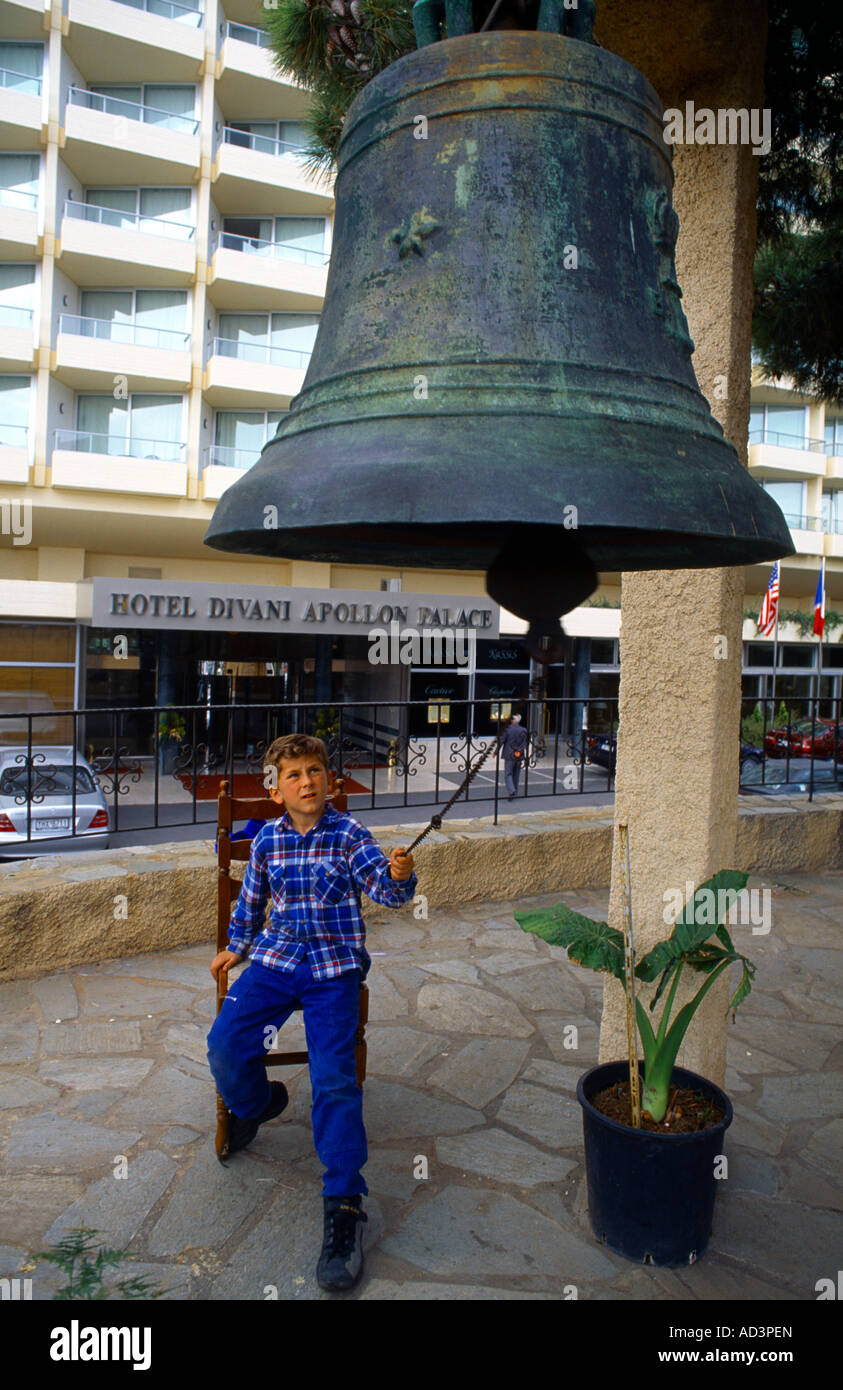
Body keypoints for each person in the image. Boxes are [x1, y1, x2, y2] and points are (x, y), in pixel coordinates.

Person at [206, 733, 417, 1293]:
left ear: (331, 781)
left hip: (333, 970)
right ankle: (258, 1103)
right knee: (225, 1043)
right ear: (275, 791)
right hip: (275, 963)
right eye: (294, 775)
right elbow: (251, 903)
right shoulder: (267, 842)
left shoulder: (350, 834)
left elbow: (384, 887)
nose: (307, 782)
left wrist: (399, 877)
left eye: (316, 771)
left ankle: (344, 1206)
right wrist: (237, 945)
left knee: (334, 1081)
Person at [499, 712, 528, 799]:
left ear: (512, 721)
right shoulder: (524, 730)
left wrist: (496, 751)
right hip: (519, 754)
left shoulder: (508, 729)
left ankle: (511, 790)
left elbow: (502, 741)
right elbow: (525, 743)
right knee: (516, 774)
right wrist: (519, 750)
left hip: (509, 754)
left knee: (508, 773)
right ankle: (515, 791)